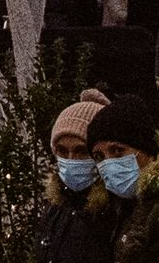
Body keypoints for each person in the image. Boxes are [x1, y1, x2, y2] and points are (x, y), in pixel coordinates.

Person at [85, 93, 159, 263]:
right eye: (99, 156)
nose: (109, 163)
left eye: (117, 150)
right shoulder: (123, 206)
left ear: (146, 149)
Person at [41, 90, 117, 263]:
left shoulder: (114, 210)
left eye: (80, 151)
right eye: (61, 150)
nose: (70, 159)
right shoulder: (57, 205)